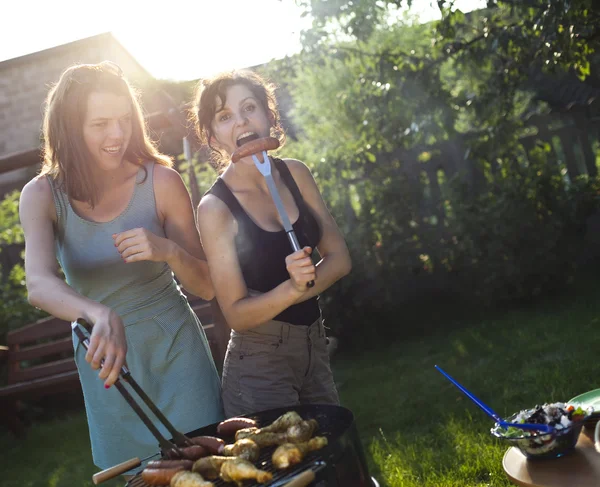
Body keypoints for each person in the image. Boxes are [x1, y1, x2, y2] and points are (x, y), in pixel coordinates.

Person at [19, 61, 223, 471]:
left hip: (175, 348)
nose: (117, 134)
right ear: (69, 127)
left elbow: (206, 286)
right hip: (109, 362)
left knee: (211, 472)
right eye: (100, 124)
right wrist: (96, 312)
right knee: (143, 479)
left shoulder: (161, 182)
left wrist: (168, 251)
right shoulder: (41, 195)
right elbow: (38, 284)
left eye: (124, 120)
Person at [192, 70, 352, 418]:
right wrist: (293, 289)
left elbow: (339, 259)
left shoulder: (295, 173)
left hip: (314, 345)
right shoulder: (216, 209)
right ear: (214, 136)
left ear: (268, 116)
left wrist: (301, 286)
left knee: (334, 453)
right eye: (225, 117)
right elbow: (236, 314)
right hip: (258, 364)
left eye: (249, 107)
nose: (241, 121)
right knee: (285, 468)